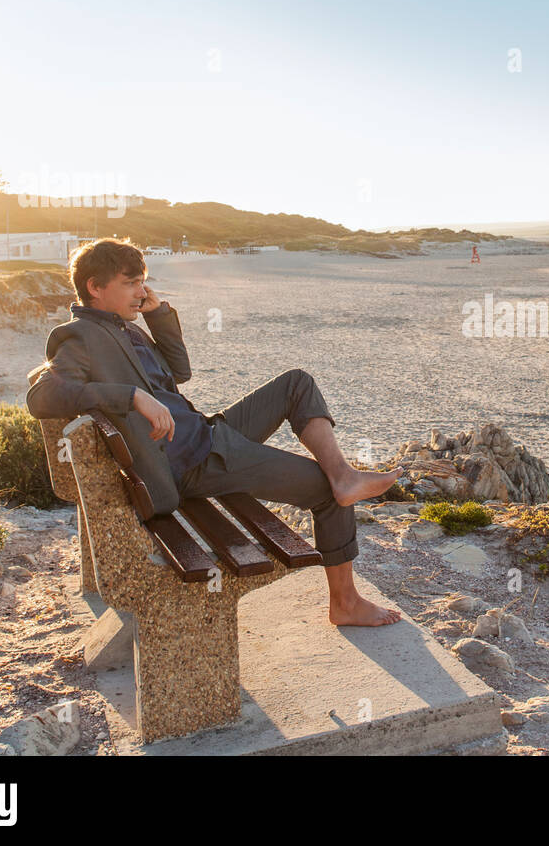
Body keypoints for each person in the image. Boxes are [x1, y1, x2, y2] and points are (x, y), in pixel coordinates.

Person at [25, 238, 403, 626]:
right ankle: (345, 602)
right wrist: (132, 396)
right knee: (324, 492)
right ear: (94, 287)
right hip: (196, 462)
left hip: (205, 434)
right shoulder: (79, 336)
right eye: (131, 283)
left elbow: (179, 373)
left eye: (144, 282)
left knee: (296, 384)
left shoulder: (125, 328)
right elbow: (43, 395)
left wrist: (158, 316)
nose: (142, 291)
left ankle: (344, 474)